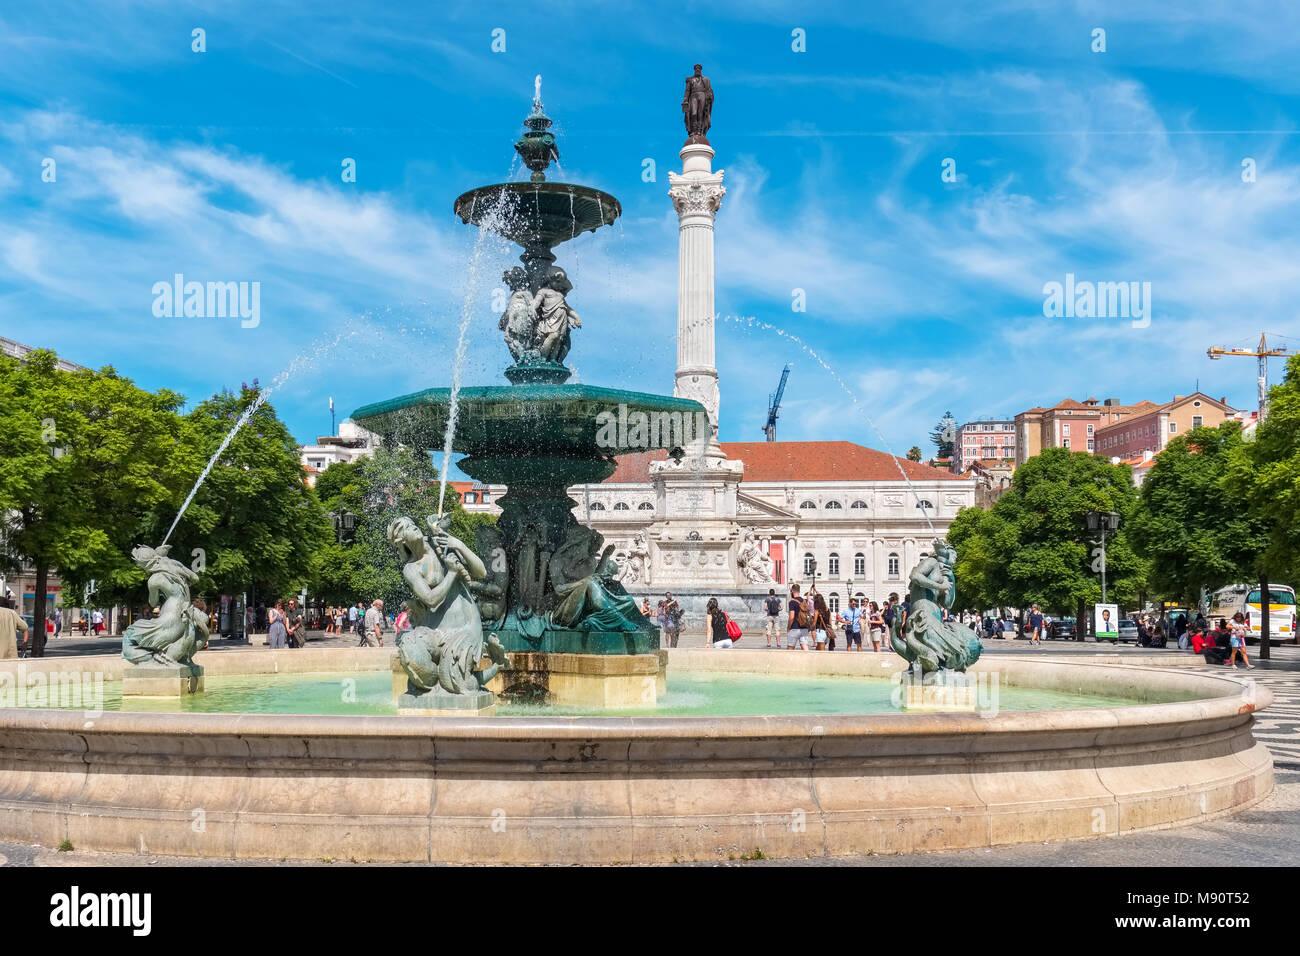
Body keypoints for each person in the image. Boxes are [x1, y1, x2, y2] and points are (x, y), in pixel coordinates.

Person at [786, 584, 811, 650]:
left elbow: (791, 617)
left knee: (790, 648)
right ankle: (808, 659)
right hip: (804, 627)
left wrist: (788, 627)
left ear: (792, 591)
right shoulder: (805, 601)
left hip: (794, 627)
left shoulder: (792, 602)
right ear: (799, 591)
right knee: (805, 646)